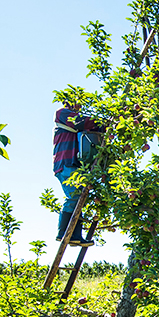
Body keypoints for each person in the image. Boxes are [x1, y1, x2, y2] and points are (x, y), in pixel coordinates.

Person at [53, 103, 104, 246]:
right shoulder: (62, 113)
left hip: (75, 165)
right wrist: (102, 122)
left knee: (79, 197)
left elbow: (93, 127)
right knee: (74, 196)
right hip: (66, 163)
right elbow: (80, 122)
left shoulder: (73, 117)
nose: (78, 106)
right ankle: (63, 232)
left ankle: (75, 236)